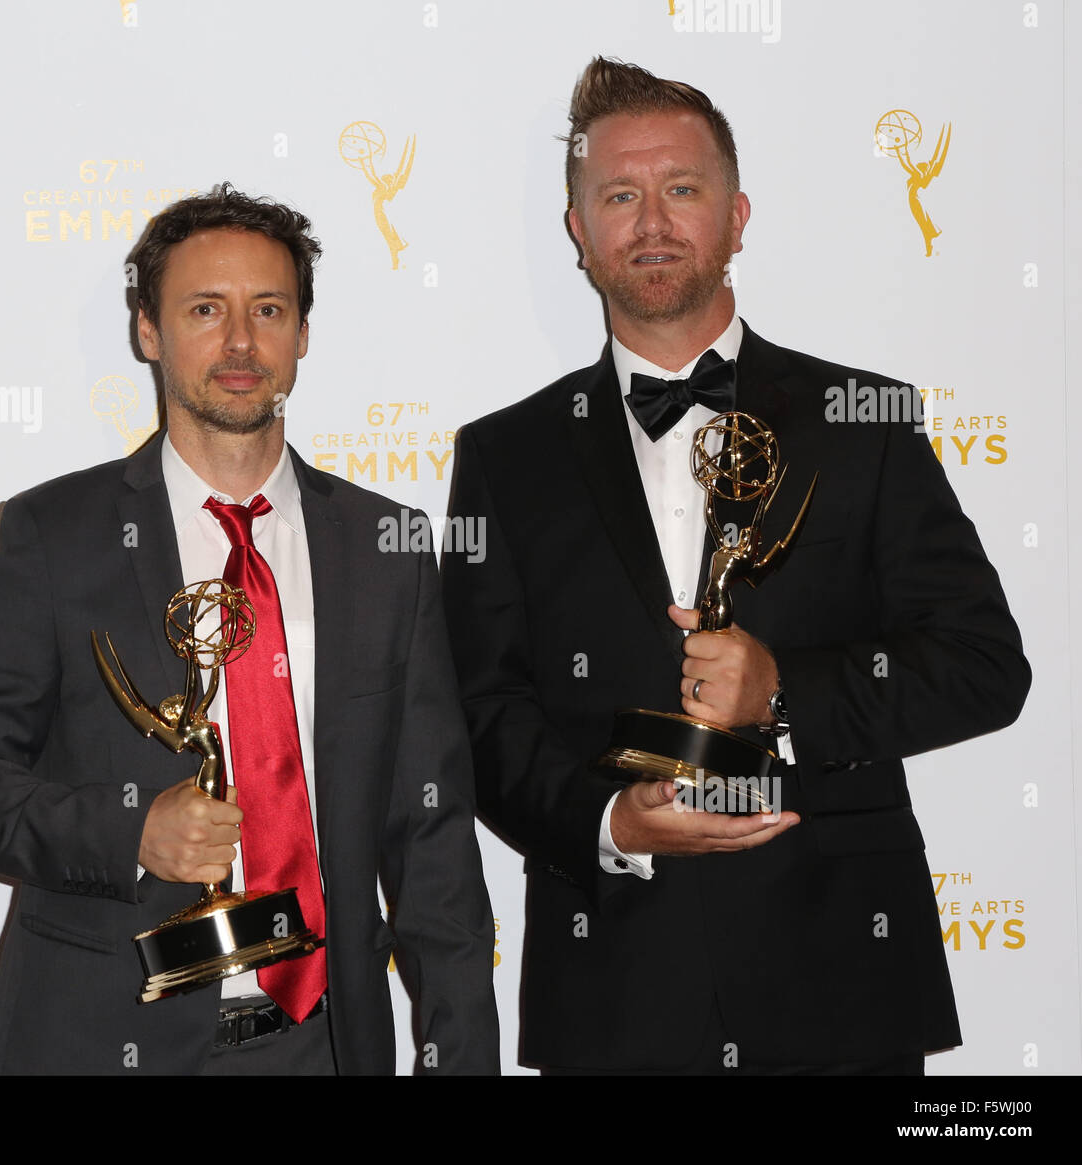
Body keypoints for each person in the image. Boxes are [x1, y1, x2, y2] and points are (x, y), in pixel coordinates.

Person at [439, 58, 1029, 1075]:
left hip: (840, 981)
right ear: (578, 231)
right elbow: (481, 716)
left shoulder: (864, 420)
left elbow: (983, 665)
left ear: (738, 214)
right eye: (618, 195)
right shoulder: (504, 456)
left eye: (683, 189)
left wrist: (785, 695)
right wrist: (610, 819)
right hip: (615, 989)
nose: (652, 222)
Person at [0, 184, 499, 1075]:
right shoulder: (54, 538)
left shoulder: (390, 548)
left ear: (302, 334)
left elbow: (433, 843)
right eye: (203, 310)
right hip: (101, 1044)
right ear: (148, 330)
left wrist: (459, 1058)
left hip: (321, 1047)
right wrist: (130, 829)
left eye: (268, 309)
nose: (238, 342)